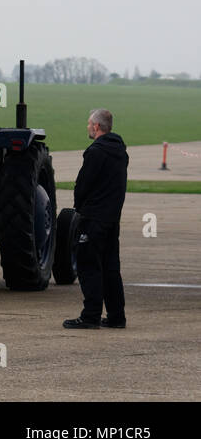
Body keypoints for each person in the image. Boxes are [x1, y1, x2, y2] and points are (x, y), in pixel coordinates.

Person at [63, 108, 128, 330]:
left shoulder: (96, 152)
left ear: (97, 127)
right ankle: (117, 316)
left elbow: (83, 185)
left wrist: (80, 207)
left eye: (89, 124)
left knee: (88, 265)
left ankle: (90, 315)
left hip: (93, 219)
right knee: (110, 267)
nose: (88, 127)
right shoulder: (120, 151)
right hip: (112, 219)